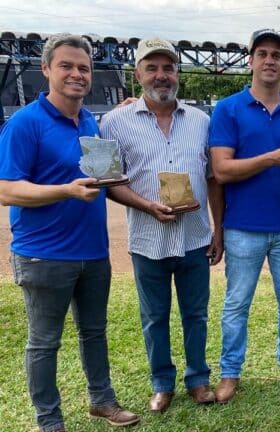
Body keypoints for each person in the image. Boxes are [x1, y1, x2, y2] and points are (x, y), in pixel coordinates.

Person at [0, 33, 139, 431]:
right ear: (46, 69)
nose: (76, 74)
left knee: (94, 333)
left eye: (83, 67)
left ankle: (102, 401)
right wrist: (64, 190)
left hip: (92, 252)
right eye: (66, 66)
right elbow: (7, 189)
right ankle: (49, 421)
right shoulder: (25, 124)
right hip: (43, 255)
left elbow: (103, 175)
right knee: (44, 343)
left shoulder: (91, 120)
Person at [100, 37, 224, 413]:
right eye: (152, 68)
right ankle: (161, 382)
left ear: (177, 73)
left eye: (168, 67)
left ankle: (198, 379)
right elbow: (108, 181)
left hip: (194, 238)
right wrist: (146, 205)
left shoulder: (202, 121)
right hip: (147, 239)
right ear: (137, 74)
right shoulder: (113, 122)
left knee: (196, 315)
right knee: (154, 318)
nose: (161, 75)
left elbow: (214, 178)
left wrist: (218, 230)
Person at [208, 29, 280, 400]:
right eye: (263, 53)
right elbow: (221, 170)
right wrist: (275, 157)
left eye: (278, 55)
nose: (270, 60)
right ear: (250, 61)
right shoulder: (228, 109)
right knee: (237, 303)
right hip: (243, 227)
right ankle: (230, 372)